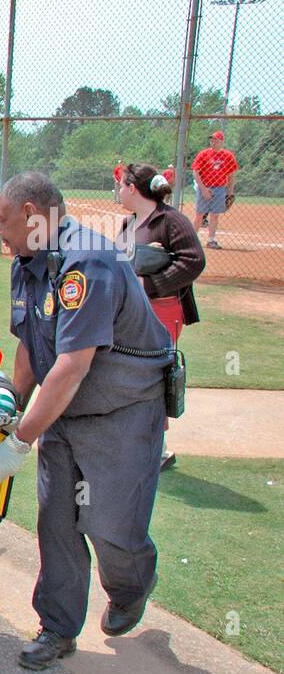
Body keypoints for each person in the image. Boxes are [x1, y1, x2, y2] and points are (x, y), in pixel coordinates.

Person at [0, 172, 174, 671]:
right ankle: (57, 627)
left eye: (3, 220)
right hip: (64, 411)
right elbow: (31, 340)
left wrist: (21, 442)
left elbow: (72, 365)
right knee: (59, 523)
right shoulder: (27, 263)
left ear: (31, 213)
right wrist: (12, 396)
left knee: (112, 524)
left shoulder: (87, 263)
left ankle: (132, 585)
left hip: (121, 413)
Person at [116, 162, 205, 470]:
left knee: (152, 373)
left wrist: (150, 282)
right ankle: (143, 442)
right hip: (134, 310)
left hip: (163, 309)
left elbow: (193, 261)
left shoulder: (170, 220)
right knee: (132, 371)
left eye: (121, 185)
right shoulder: (130, 224)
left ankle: (158, 449)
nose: (118, 191)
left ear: (132, 188)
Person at [191, 130, 237, 250]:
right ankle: (191, 240)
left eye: (215, 140)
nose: (213, 142)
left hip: (220, 188)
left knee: (215, 215)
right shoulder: (203, 154)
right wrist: (203, 189)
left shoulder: (228, 156)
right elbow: (196, 173)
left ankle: (211, 240)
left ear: (221, 141)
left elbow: (231, 175)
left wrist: (230, 191)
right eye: (211, 140)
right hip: (204, 186)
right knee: (199, 215)